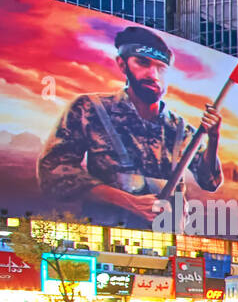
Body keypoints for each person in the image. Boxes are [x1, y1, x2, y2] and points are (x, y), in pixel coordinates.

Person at [38, 26, 223, 230]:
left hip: (171, 241)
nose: (153, 74)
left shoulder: (180, 129)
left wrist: (213, 138)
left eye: (161, 68)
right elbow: (53, 172)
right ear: (122, 64)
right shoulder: (91, 109)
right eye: (142, 63)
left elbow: (210, 182)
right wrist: (126, 200)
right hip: (106, 234)